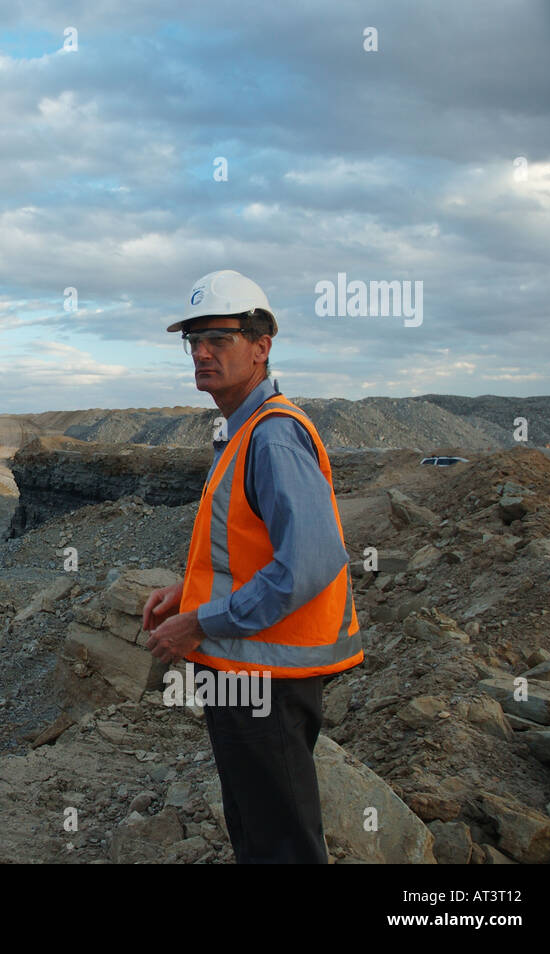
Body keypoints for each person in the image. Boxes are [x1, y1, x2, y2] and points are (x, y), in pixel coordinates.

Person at [141, 269, 363, 864]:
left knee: (282, 842)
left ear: (262, 346)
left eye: (219, 338)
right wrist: (184, 593)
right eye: (193, 341)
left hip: (267, 675)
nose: (202, 353)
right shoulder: (242, 433)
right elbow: (246, 552)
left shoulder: (273, 437)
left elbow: (310, 562)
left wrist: (202, 622)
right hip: (248, 667)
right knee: (258, 828)